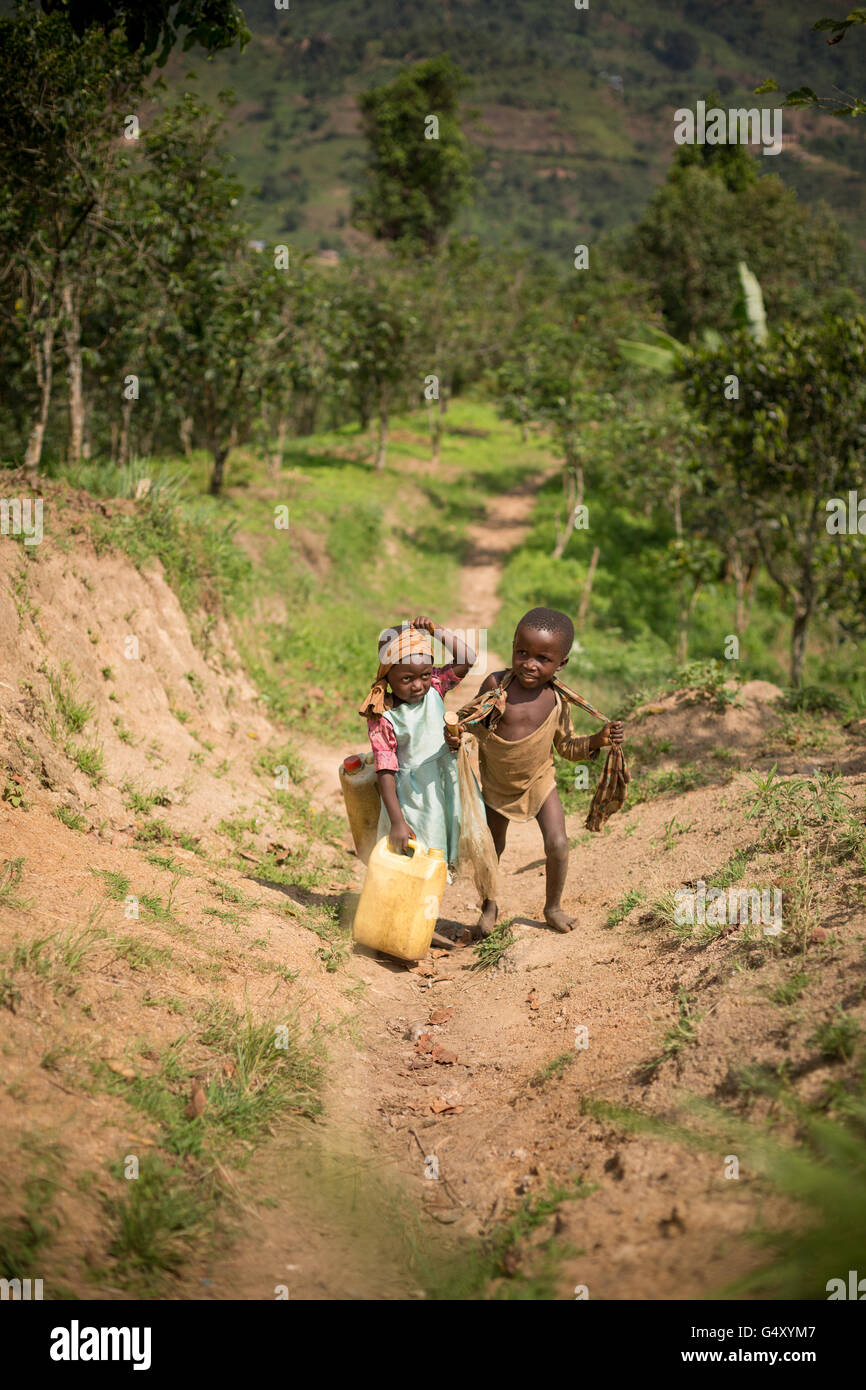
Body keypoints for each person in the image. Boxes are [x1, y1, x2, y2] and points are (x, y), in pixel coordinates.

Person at [448, 607, 625, 936]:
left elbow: (567, 747)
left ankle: (553, 907)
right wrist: (456, 734)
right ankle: (489, 905)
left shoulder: (556, 700)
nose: (529, 663)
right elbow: (471, 723)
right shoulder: (496, 686)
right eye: (522, 652)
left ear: (561, 664)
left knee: (558, 844)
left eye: (543, 658)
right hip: (497, 785)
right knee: (491, 849)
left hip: (540, 781)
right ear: (513, 646)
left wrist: (598, 741)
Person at [359, 616, 478, 868]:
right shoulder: (384, 715)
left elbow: (467, 659)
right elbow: (385, 770)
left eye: (424, 674)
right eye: (407, 679)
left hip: (444, 782)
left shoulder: (435, 686)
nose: (418, 685)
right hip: (412, 798)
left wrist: (436, 632)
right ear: (387, 675)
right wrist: (397, 821)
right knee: (417, 854)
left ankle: (430, 899)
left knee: (443, 849)